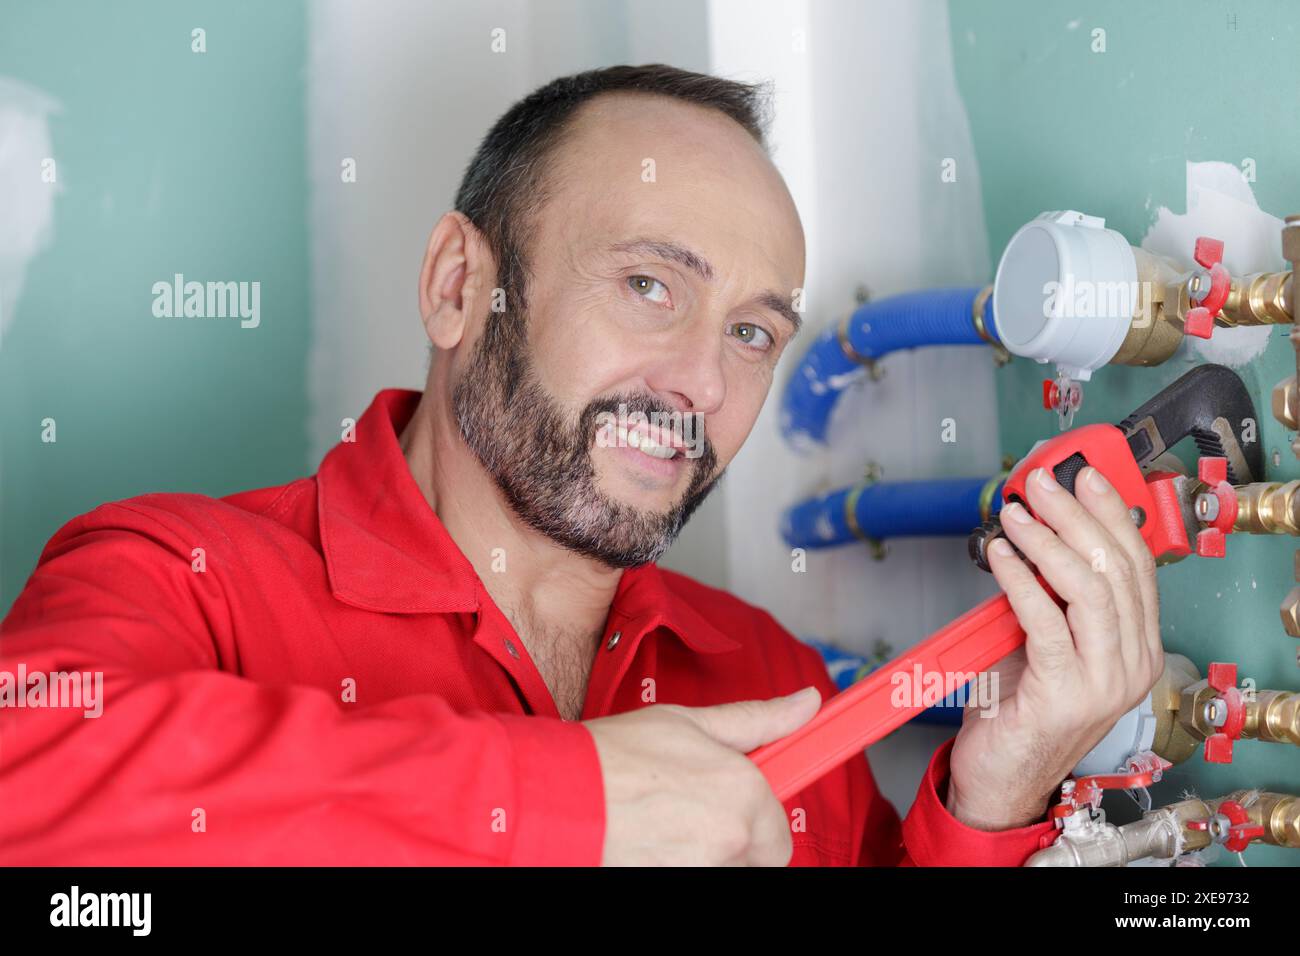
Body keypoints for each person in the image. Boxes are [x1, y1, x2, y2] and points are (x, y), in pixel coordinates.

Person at [0, 64, 1161, 865]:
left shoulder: (753, 669)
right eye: (649, 285)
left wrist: (993, 789)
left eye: (752, 331)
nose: (701, 381)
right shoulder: (185, 576)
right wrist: (563, 803)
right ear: (461, 286)